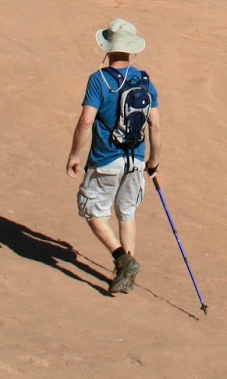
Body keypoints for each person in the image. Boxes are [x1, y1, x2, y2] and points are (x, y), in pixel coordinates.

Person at [67, 19, 161, 295]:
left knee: (93, 210)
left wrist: (74, 154)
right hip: (136, 160)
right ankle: (125, 274)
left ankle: (123, 259)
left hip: (105, 159)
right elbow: (155, 124)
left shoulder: (99, 80)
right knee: (126, 213)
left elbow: (86, 121)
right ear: (132, 50)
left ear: (107, 47)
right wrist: (153, 161)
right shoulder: (144, 81)